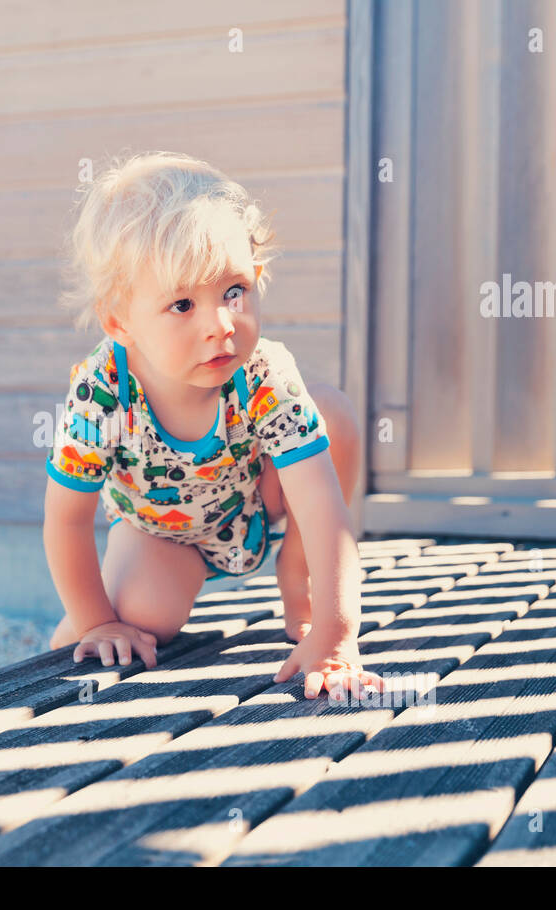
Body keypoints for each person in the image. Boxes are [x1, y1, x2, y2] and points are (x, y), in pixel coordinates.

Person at [43, 150, 384, 701]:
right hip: (159, 530)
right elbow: (66, 522)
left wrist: (336, 637)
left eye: (234, 291)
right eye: (182, 304)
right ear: (119, 321)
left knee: (334, 415)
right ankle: (51, 654)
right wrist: (94, 622)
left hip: (250, 503)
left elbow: (325, 511)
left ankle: (295, 578)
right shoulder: (102, 391)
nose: (221, 324)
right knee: (139, 618)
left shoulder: (264, 372)